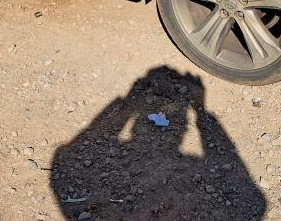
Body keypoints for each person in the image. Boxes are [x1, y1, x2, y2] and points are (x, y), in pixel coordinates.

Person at [49, 66, 266, 220]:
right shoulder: (256, 204)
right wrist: (200, 112)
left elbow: (80, 145)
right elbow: (232, 162)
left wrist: (127, 106)